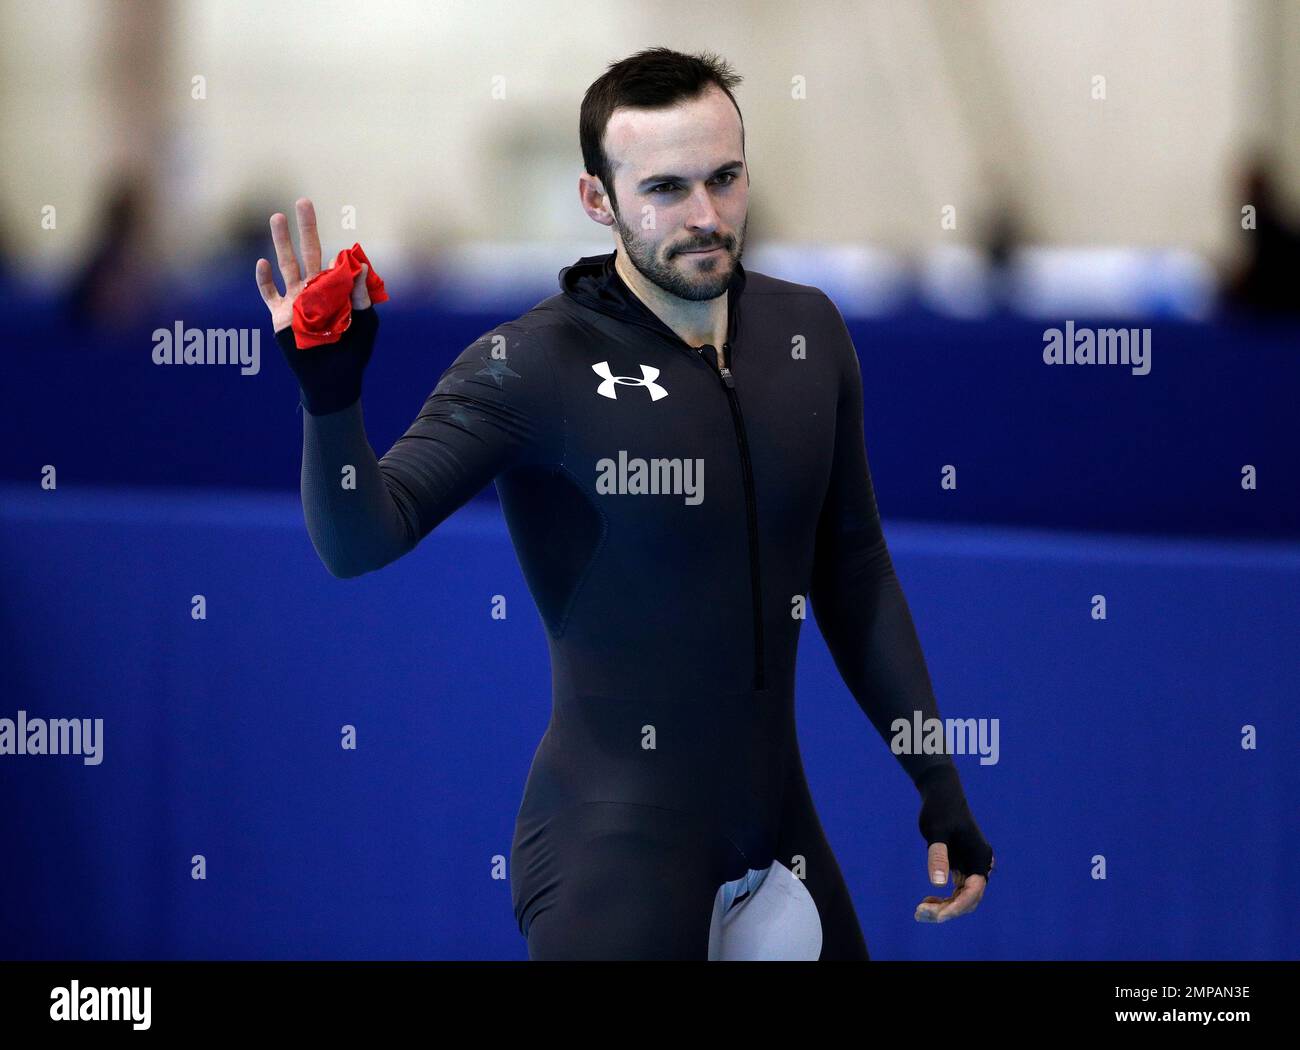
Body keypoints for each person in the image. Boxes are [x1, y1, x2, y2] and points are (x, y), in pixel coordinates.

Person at [256, 47, 993, 960]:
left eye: (725, 178)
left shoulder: (808, 335)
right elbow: (360, 539)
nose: (706, 216)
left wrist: (936, 778)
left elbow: (854, 569)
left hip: (781, 837)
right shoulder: (531, 366)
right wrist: (328, 399)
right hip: (613, 852)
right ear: (597, 200)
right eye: (666, 189)